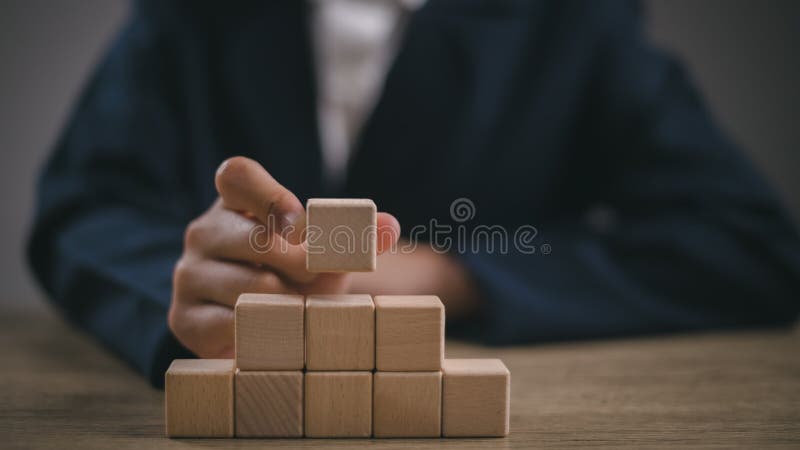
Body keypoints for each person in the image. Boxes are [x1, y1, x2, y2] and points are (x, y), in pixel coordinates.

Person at [27, 0, 800, 388]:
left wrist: (441, 276)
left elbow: (751, 246)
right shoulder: (189, 13)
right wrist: (190, 290)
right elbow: (82, 207)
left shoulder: (577, 20)